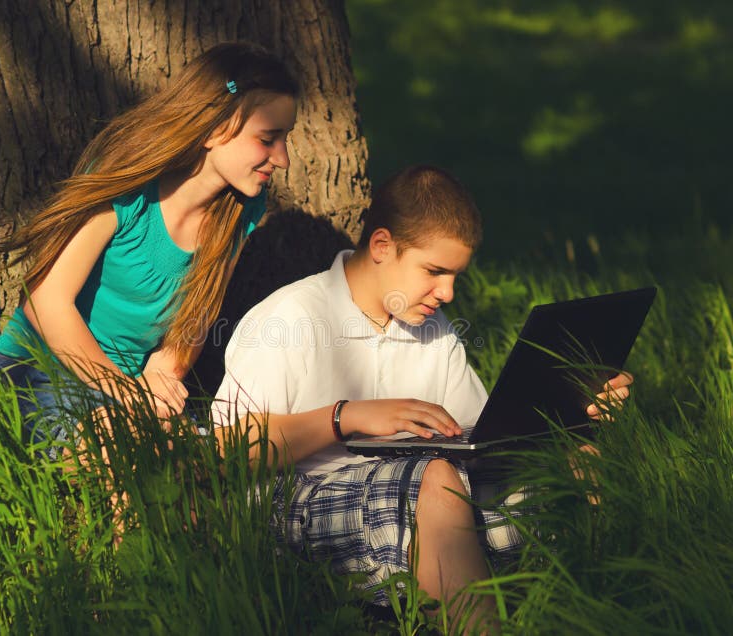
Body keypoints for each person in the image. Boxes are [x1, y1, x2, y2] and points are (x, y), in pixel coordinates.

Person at [212, 165, 633, 628]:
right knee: (435, 479)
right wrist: (344, 417)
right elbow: (225, 452)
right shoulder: (290, 318)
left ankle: (594, 614)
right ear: (382, 247)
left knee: (575, 464)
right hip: (297, 506)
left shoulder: (432, 331)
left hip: (417, 493)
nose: (447, 292)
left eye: (455, 276)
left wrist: (571, 417)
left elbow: (482, 438)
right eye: (434, 271)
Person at [0, 42, 299, 459]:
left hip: (132, 389)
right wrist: (125, 394)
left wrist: (164, 373)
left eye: (285, 139)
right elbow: (45, 300)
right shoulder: (128, 182)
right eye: (268, 139)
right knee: (121, 453)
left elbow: (200, 310)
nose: (281, 159)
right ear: (215, 129)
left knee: (202, 465)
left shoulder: (240, 207)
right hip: (46, 373)